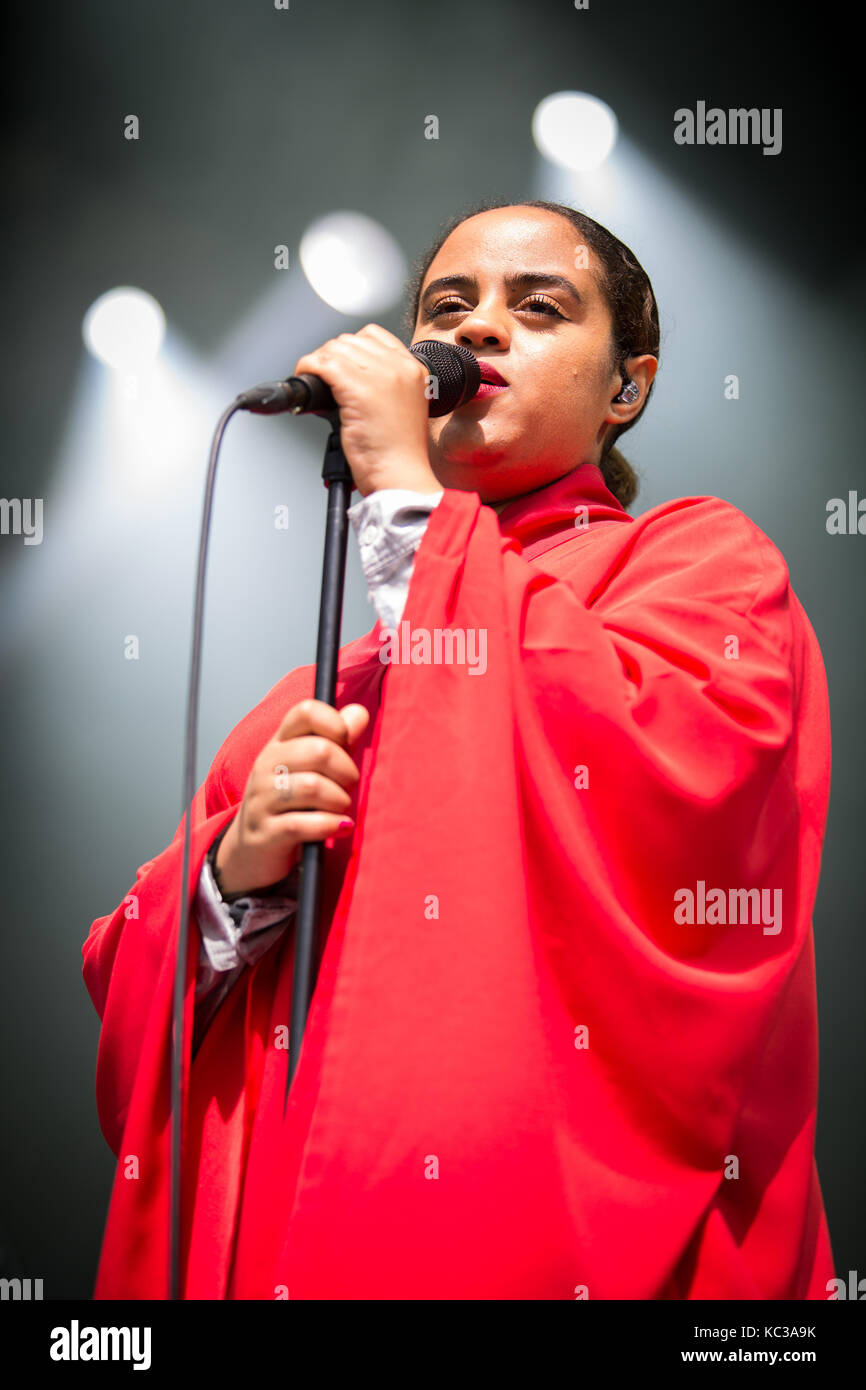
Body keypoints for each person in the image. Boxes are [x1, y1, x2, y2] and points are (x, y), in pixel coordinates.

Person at [82, 198, 835, 1300]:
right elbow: (127, 1007)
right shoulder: (312, 696)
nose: (478, 329)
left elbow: (680, 814)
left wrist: (407, 499)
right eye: (449, 306)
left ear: (626, 385)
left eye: (538, 309)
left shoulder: (700, 568)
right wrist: (227, 879)